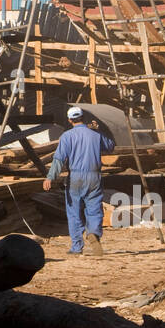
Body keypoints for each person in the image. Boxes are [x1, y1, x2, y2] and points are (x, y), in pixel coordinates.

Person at [42, 106, 116, 256]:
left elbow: (59, 159)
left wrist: (50, 177)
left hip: (75, 177)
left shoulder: (67, 136)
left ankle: (76, 247)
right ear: (83, 118)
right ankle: (94, 233)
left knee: (74, 211)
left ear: (70, 120)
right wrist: (98, 130)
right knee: (94, 208)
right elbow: (110, 146)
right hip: (94, 176)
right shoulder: (95, 135)